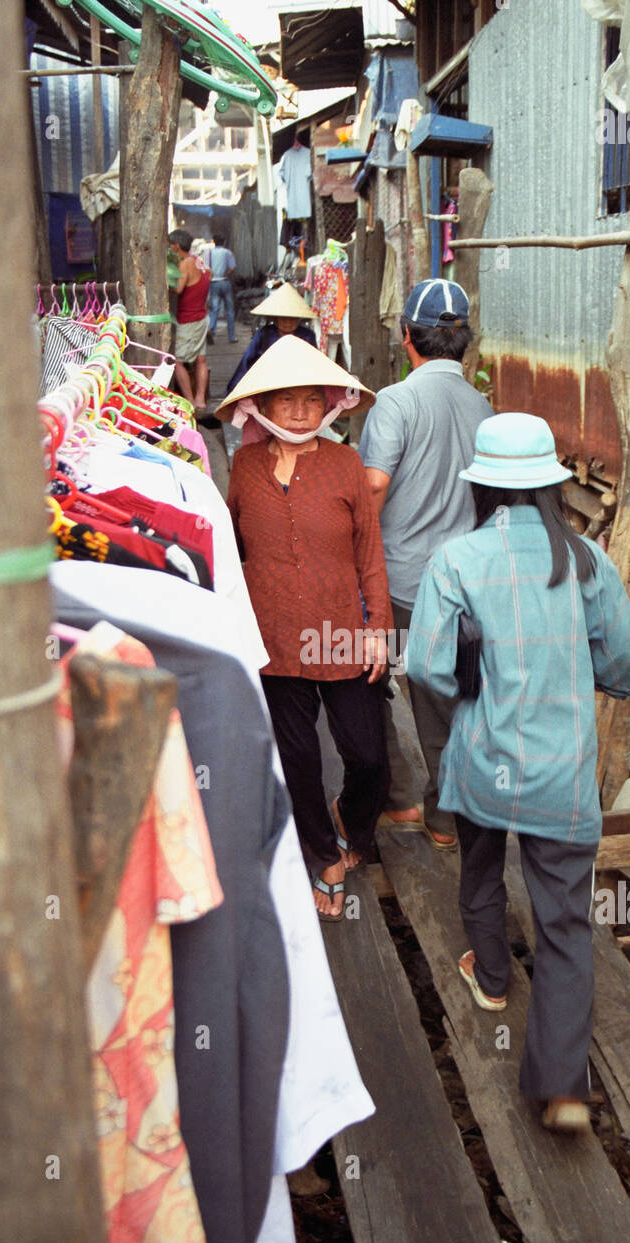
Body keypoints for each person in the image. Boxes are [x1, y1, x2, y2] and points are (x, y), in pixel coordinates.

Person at [406, 412, 630, 1134]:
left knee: (478, 870)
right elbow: (620, 661)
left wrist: (465, 690)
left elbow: (423, 667)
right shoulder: (585, 560)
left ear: (482, 488)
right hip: (562, 773)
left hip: (482, 766)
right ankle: (563, 1087)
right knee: (566, 925)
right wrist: (601, 676)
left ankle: (495, 981)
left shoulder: (454, 560)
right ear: (549, 489)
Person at [219, 335, 392, 921]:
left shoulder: (345, 464)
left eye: (309, 401)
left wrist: (379, 632)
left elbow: (370, 554)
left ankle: (352, 818)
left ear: (328, 405)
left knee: (368, 754)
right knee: (298, 757)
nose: (298, 412)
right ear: (261, 409)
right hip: (273, 633)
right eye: (284, 401)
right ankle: (323, 855)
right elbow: (231, 548)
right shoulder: (244, 465)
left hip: (342, 628)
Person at [359, 278, 493, 850]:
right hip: (466, 583)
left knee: (363, 682)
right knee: (447, 699)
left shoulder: (396, 401)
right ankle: (444, 818)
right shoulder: (484, 406)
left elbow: (372, 489)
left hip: (401, 580)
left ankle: (398, 798)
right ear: (464, 342)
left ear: (406, 336)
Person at [224, 281, 318, 396]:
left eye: (292, 318)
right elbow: (246, 363)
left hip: (298, 385)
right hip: (267, 386)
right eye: (283, 318)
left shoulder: (307, 336)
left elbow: (315, 366)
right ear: (275, 318)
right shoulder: (264, 335)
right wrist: (235, 391)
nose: (288, 322)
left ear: (299, 319)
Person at [168, 228, 211, 412]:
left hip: (189, 319)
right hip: (201, 317)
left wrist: (165, 277)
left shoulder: (185, 263)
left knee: (177, 361)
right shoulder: (198, 261)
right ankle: (200, 399)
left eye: (170, 247)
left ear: (176, 246)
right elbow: (210, 273)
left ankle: (191, 401)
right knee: (201, 360)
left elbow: (178, 288)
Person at [204, 234, 237, 344]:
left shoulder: (209, 253)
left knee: (214, 309)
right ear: (224, 242)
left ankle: (211, 330)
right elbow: (232, 268)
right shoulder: (228, 253)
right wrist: (226, 274)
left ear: (214, 242)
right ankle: (232, 337)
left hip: (214, 283)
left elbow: (206, 268)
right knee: (230, 311)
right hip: (225, 282)